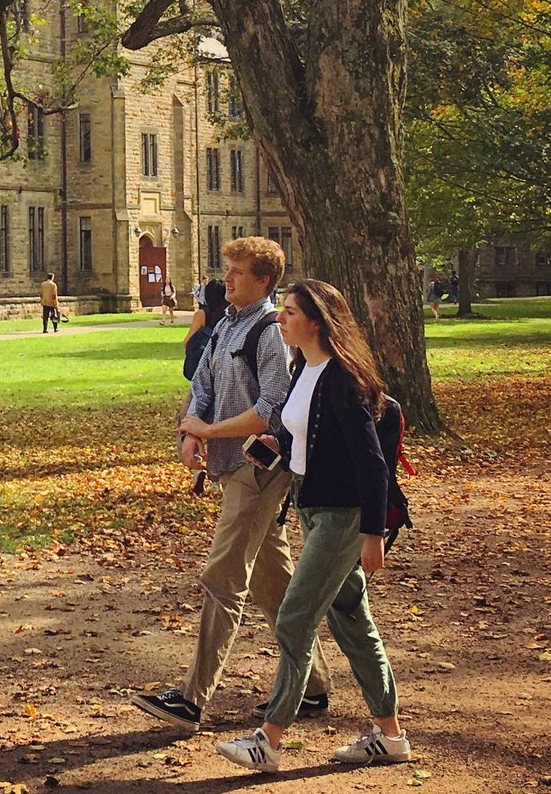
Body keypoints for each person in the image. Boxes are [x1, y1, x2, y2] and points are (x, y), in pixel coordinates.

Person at [130, 236, 332, 736]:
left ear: (264, 281)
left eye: (238, 273)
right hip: (228, 468)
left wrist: (210, 432)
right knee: (273, 582)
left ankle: (192, 699)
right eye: (227, 271)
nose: (228, 280)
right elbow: (201, 386)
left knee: (223, 579)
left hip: (260, 472)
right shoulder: (224, 325)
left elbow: (273, 407)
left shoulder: (269, 332)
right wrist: (189, 432)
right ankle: (312, 685)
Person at [210, 280, 410, 772]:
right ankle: (391, 737)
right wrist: (277, 446)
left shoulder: (342, 379)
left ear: (317, 321)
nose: (280, 318)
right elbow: (303, 433)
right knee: (353, 622)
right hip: (312, 508)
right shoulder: (304, 367)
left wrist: (372, 533)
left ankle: (269, 739)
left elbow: (371, 464)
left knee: (296, 618)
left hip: (342, 517)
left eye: (290, 311)